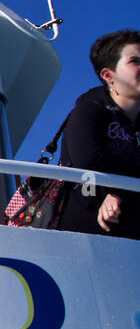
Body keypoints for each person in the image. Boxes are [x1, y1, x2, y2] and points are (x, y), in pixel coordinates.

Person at [58, 30, 140, 238]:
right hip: (85, 223)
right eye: (135, 61)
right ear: (108, 76)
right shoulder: (90, 108)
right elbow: (88, 160)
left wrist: (119, 191)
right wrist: (113, 191)